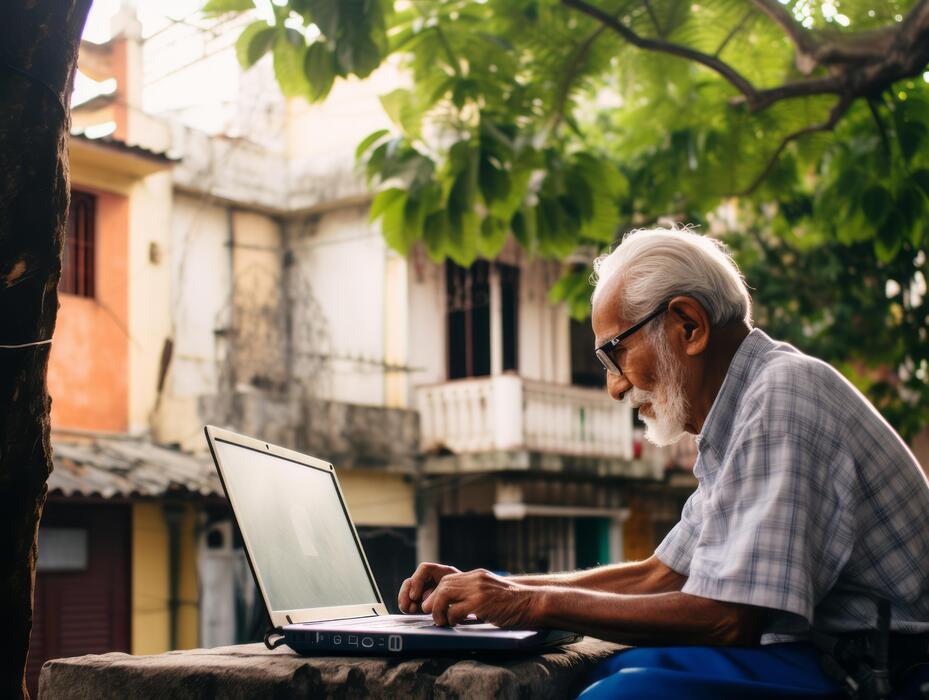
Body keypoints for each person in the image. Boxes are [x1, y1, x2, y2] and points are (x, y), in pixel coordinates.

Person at [398, 228, 929, 699]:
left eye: (616, 354)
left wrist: (530, 606)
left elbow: (727, 618)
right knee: (622, 667)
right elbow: (663, 575)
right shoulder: (744, 407)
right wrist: (503, 588)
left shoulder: (783, 397)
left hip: (885, 669)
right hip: (834, 657)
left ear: (688, 325)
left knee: (623, 694)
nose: (614, 386)